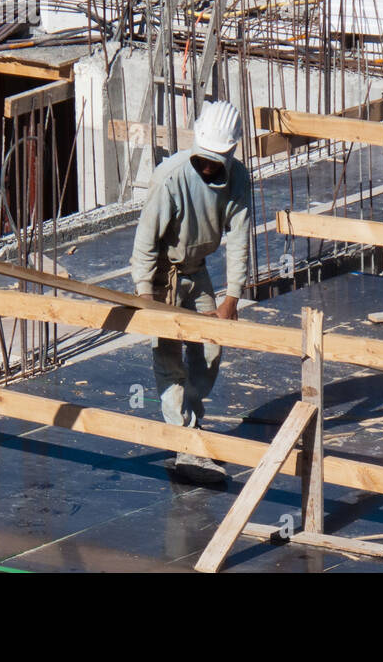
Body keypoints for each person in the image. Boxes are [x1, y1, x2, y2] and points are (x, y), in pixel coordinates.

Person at [130, 99, 251, 484]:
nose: (208, 167)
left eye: (216, 160)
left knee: (211, 351)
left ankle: (192, 423)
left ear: (230, 152)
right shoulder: (172, 177)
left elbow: (240, 239)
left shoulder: (238, 181)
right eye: (203, 158)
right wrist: (145, 296)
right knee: (169, 358)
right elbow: (145, 241)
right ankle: (185, 441)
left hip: (197, 272)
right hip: (165, 273)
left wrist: (232, 297)